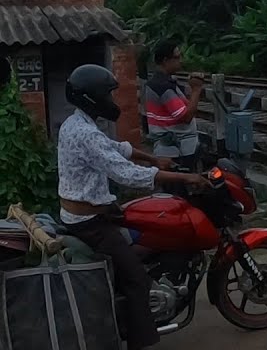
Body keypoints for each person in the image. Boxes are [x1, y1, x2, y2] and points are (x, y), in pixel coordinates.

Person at [58, 64, 209, 350]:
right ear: (92, 98)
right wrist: (185, 176)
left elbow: (115, 148)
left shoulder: (76, 123)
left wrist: (151, 158)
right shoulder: (85, 133)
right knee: (137, 279)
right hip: (90, 223)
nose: (111, 101)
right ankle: (139, 341)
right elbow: (126, 174)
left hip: (89, 213)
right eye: (107, 95)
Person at [144, 39, 202, 168]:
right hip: (175, 152)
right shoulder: (162, 86)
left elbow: (186, 107)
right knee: (178, 187)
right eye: (177, 57)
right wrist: (196, 89)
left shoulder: (164, 83)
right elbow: (186, 117)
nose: (181, 60)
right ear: (165, 60)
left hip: (173, 149)